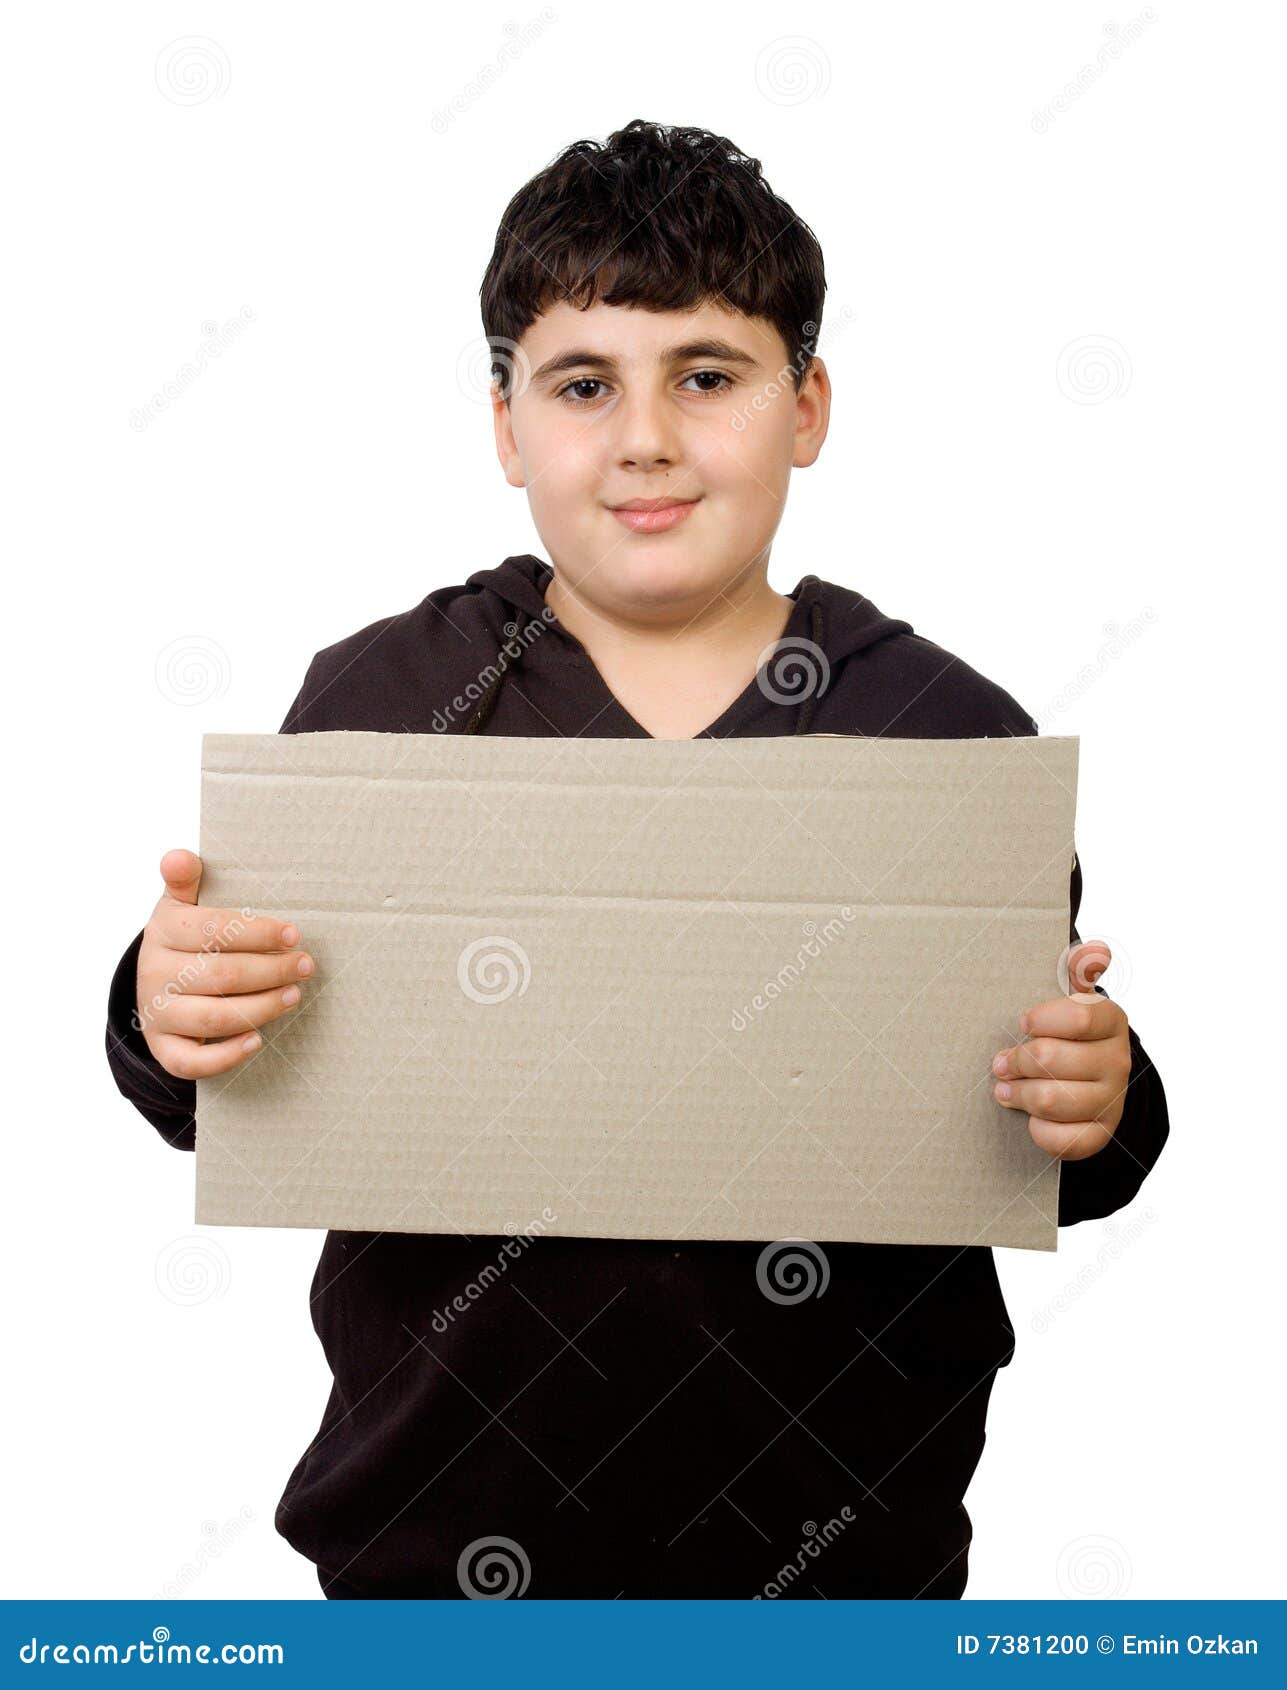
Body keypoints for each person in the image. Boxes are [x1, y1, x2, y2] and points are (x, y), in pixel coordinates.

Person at [105, 119, 1169, 1600]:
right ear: (505, 425)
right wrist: (161, 1009)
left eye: (709, 377)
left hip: (843, 1577)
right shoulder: (386, 702)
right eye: (584, 384)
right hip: (433, 1567)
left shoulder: (942, 732)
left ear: (808, 407)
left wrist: (1104, 1099)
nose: (647, 438)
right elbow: (224, 1085)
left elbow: (1053, 1127)